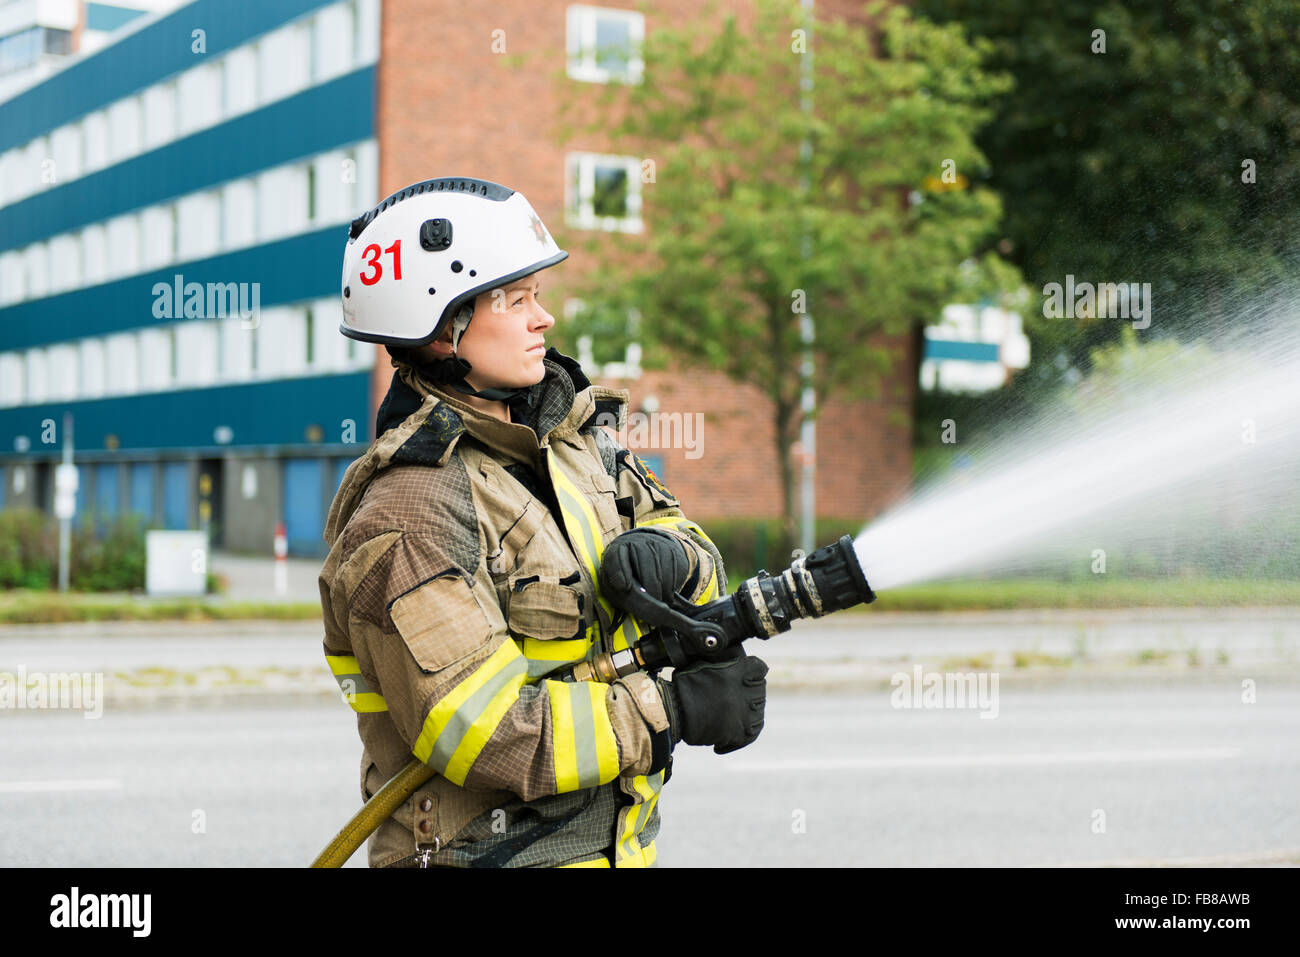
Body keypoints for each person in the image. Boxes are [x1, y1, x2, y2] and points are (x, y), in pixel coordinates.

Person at [318, 176, 768, 868]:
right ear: (444, 327)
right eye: (516, 299)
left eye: (538, 295)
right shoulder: (409, 513)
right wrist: (669, 713)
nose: (543, 318)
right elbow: (483, 727)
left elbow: (695, 548)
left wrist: (671, 559)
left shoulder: (574, 440)